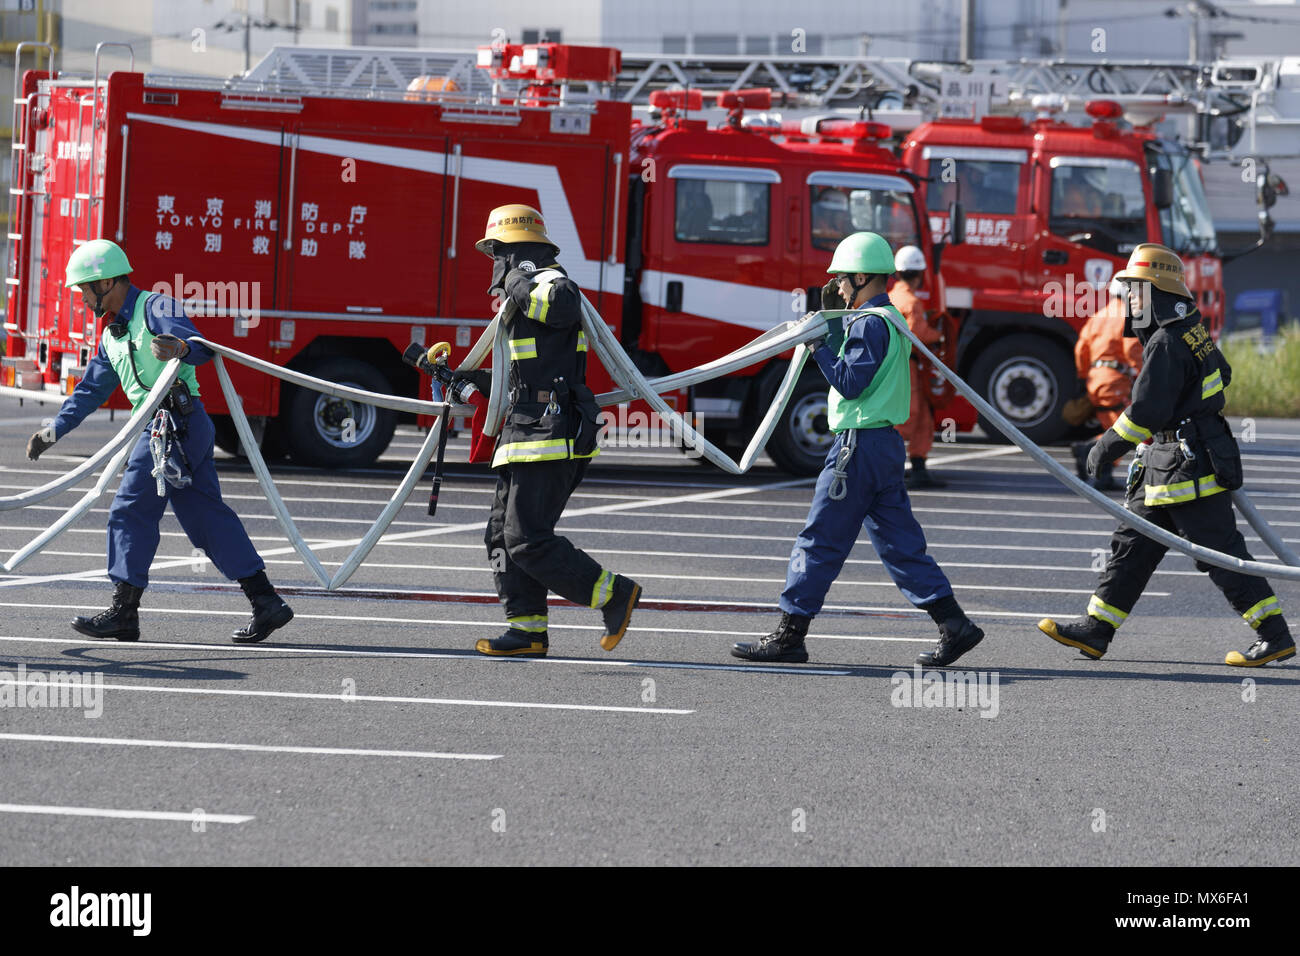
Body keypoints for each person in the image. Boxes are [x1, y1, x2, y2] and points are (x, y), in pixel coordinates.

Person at [731, 232, 985, 667]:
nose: (839, 287)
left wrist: (818, 345)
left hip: (857, 447)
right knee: (901, 543)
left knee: (820, 539)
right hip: (882, 445)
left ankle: (790, 634)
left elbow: (851, 382)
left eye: (844, 279)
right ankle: (954, 624)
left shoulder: (869, 323)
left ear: (863, 275)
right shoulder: (889, 318)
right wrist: (832, 323)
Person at [24, 239, 293, 644]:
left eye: (84, 289)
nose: (81, 299)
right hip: (170, 428)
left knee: (131, 511)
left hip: (171, 427)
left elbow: (200, 347)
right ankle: (266, 601)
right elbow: (90, 390)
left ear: (107, 282)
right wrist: (54, 430)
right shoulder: (111, 333)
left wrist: (180, 347)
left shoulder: (156, 307)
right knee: (206, 519)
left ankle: (124, 612)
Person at [1039, 243, 1293, 667]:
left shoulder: (1166, 342)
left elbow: (1146, 411)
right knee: (1132, 544)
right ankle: (1097, 630)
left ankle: (1275, 635)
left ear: (1158, 292)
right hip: (1169, 460)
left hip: (1187, 467)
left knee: (1220, 555)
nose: (1130, 299)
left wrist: (1103, 448)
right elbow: (1220, 375)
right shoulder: (1189, 331)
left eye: (1136, 290)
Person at [467, 203, 641, 657]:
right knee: (501, 536)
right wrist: (467, 381)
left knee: (527, 538)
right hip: (522, 431)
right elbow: (527, 372)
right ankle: (527, 631)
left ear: (519, 252)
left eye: (498, 253)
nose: (494, 264)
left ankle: (613, 593)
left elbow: (562, 307)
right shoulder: (519, 295)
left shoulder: (549, 283)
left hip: (550, 432)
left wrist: (518, 279)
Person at [1070, 289, 1145, 491]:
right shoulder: (1127, 316)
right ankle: (1088, 450)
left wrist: (1083, 377)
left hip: (1096, 379)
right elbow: (1132, 349)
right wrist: (1142, 375)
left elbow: (1081, 349)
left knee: (1112, 429)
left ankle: (1103, 475)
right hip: (1114, 381)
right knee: (1126, 431)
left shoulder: (1099, 315)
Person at [889, 245, 946, 489]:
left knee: (922, 413)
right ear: (920, 273)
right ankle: (893, 468)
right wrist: (939, 335)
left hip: (899, 365)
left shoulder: (892, 296)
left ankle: (919, 466)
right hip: (907, 365)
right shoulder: (912, 302)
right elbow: (916, 335)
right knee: (910, 414)